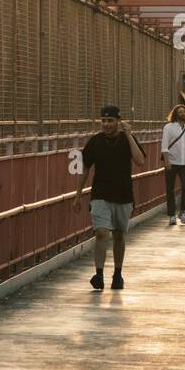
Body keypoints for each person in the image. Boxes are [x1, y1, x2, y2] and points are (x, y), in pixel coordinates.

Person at [72, 105, 145, 290]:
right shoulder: (95, 142)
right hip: (100, 194)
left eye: (110, 121)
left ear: (118, 122)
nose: (106, 124)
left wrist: (129, 135)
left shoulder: (126, 139)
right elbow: (85, 168)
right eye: (103, 121)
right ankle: (98, 274)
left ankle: (118, 274)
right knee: (101, 233)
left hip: (123, 194)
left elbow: (140, 161)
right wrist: (78, 195)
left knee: (119, 235)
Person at [160, 103, 185, 226]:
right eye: (179, 112)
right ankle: (172, 215)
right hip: (172, 162)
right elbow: (164, 146)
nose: (182, 114)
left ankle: (183, 212)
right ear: (175, 114)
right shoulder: (168, 127)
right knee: (170, 189)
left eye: (184, 112)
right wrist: (167, 161)